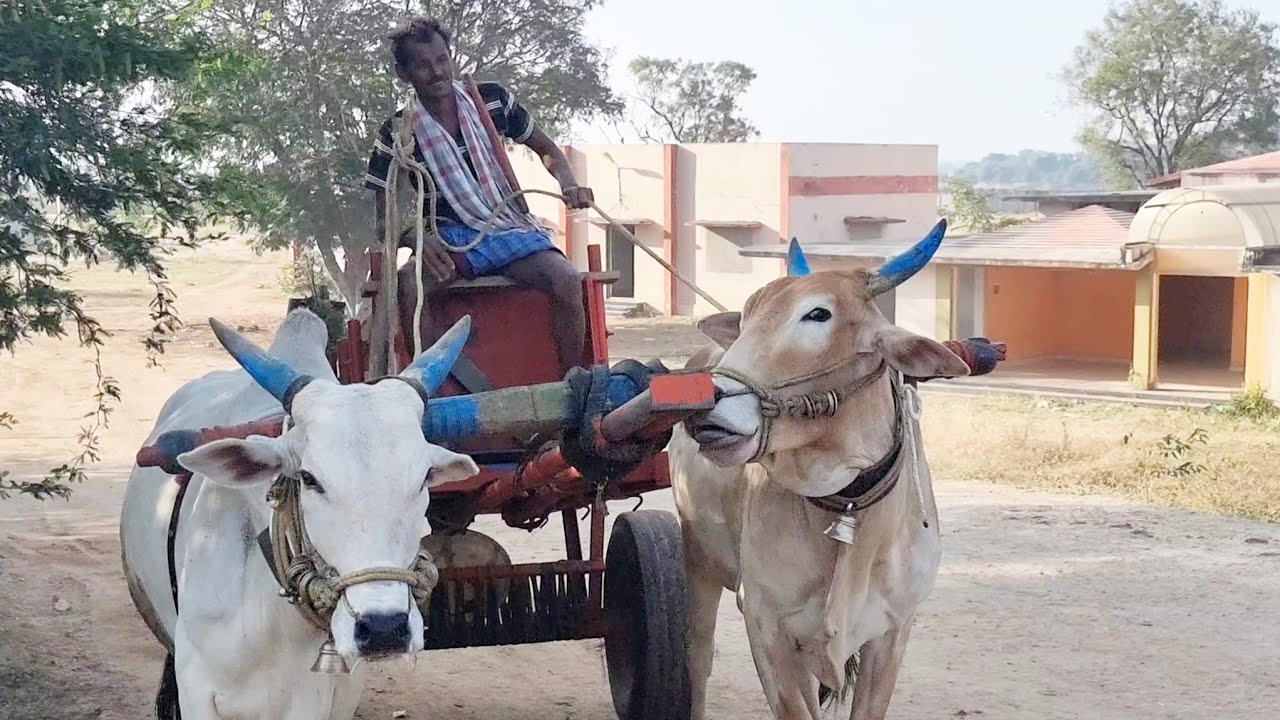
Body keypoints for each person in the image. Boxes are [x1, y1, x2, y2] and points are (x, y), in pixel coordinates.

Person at [363, 17, 594, 374]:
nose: (437, 72)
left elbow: (546, 148)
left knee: (566, 280)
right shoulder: (395, 132)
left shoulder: (493, 100)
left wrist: (568, 184)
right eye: (423, 65)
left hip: (508, 229)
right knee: (410, 285)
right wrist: (416, 238)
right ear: (402, 73)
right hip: (449, 242)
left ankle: (574, 387)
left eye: (442, 60)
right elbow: (383, 217)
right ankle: (433, 393)